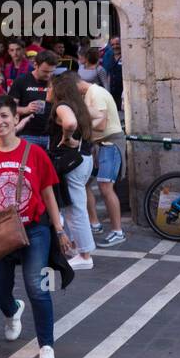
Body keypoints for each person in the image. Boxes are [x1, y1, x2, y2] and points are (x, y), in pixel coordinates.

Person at [0, 95, 72, 358]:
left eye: (4, 116)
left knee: (38, 287)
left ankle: (46, 347)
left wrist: (59, 230)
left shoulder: (35, 153)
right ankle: (12, 310)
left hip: (34, 229)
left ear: (15, 118)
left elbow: (48, 192)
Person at [48, 73, 95, 270]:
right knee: (74, 207)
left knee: (76, 209)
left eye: (50, 87)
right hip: (82, 160)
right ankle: (79, 248)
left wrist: (67, 137)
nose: (47, 90)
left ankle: (85, 255)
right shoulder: (78, 105)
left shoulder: (62, 106)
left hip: (72, 163)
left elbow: (69, 123)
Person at [79, 74, 126, 246]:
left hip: (110, 144)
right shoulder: (89, 93)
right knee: (84, 182)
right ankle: (94, 224)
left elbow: (101, 124)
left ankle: (117, 231)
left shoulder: (96, 93)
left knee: (106, 186)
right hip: (98, 145)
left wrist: (77, 127)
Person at [10, 50, 57, 151]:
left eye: (51, 72)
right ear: (35, 65)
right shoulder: (22, 80)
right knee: (27, 164)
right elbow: (9, 107)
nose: (48, 75)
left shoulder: (55, 81)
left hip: (51, 135)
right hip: (28, 134)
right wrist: (26, 109)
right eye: (45, 71)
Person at [100, 36, 123, 111]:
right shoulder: (107, 56)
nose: (115, 46)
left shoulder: (126, 55)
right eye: (112, 45)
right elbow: (105, 72)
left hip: (123, 93)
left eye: (117, 44)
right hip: (111, 92)